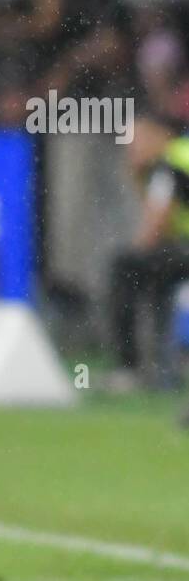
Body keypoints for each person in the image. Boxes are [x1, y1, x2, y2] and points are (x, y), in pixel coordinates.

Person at [106, 114, 189, 392]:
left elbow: (155, 229)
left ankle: (129, 367)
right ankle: (166, 362)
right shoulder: (181, 155)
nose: (132, 151)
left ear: (160, 136)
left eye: (137, 142)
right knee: (157, 273)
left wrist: (137, 253)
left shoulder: (168, 166)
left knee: (126, 267)